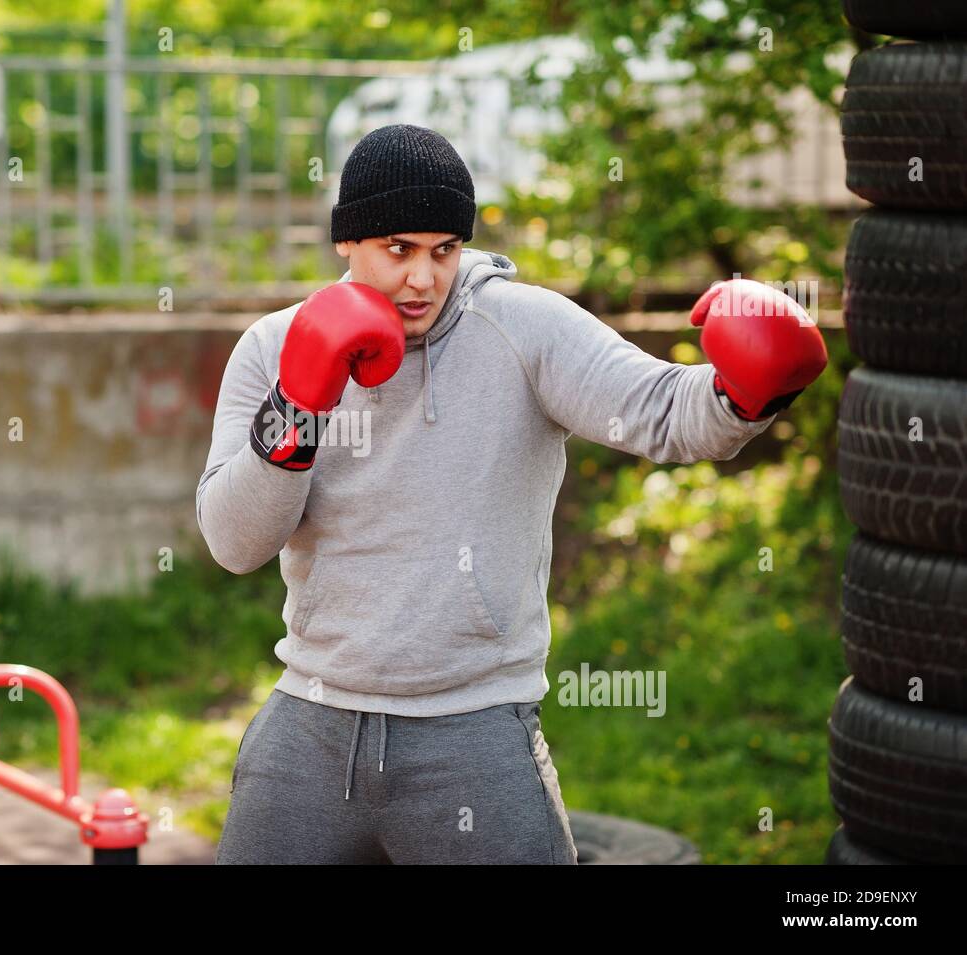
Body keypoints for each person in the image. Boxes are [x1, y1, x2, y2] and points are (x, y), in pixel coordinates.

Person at [197, 123, 827, 864]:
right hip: (311, 724)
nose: (424, 279)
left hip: (474, 728)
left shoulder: (523, 328)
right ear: (348, 242)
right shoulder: (274, 346)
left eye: (444, 250)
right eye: (398, 250)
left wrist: (744, 395)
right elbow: (234, 542)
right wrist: (297, 404)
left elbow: (665, 413)